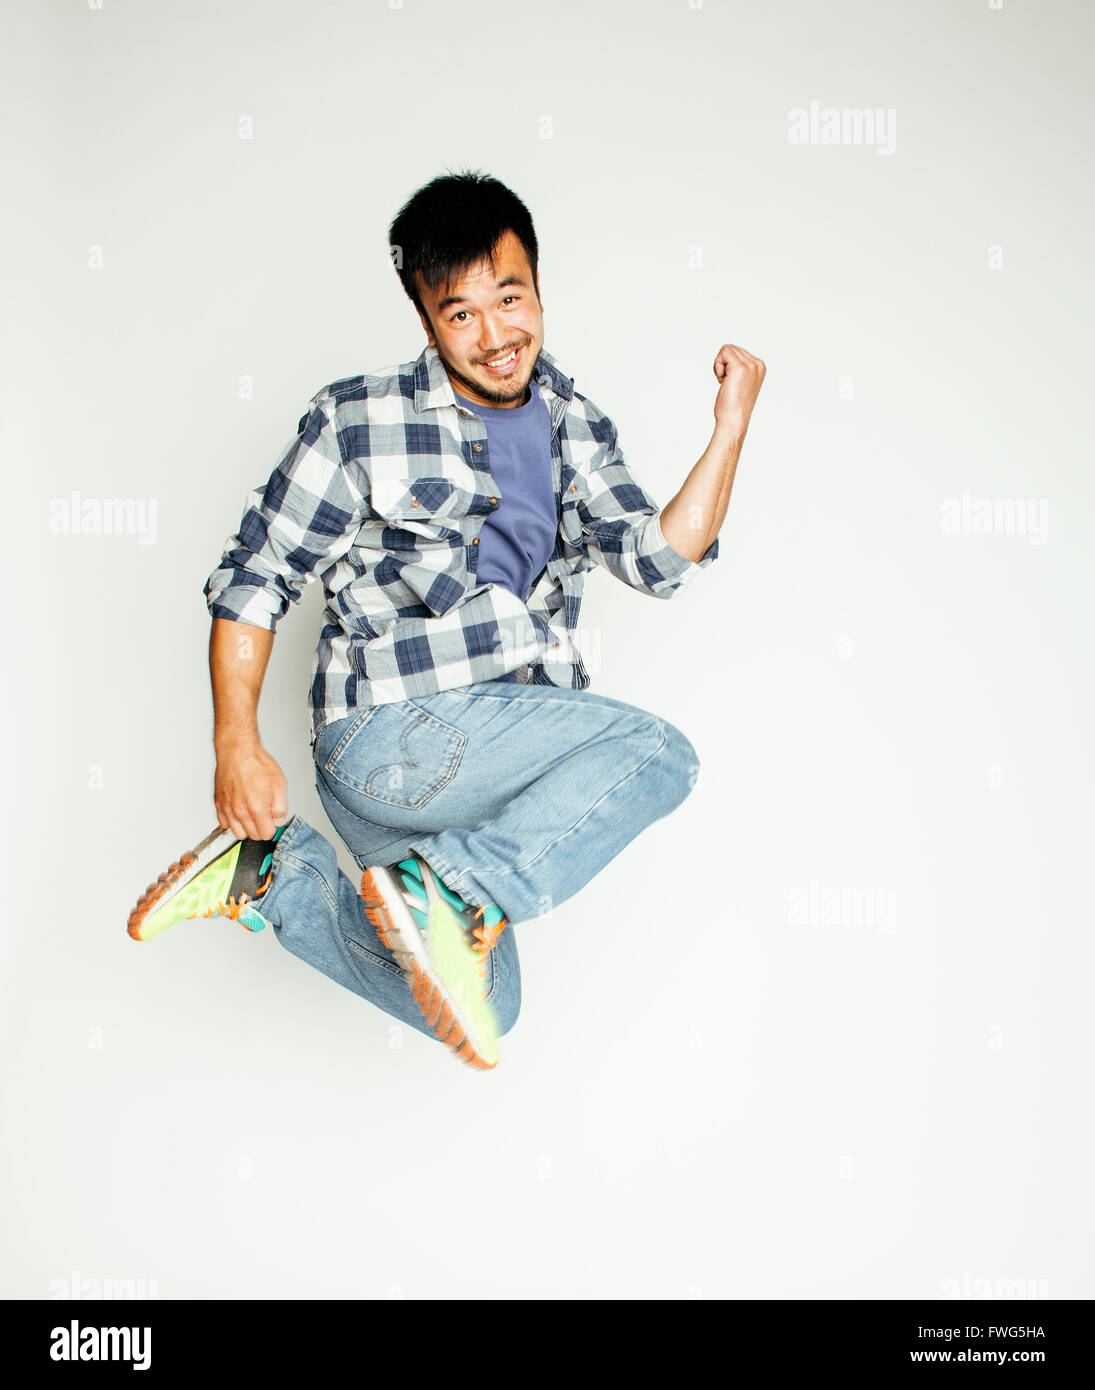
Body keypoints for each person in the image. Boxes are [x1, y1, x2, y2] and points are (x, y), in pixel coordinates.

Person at [126, 169, 766, 1071]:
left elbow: (659, 560)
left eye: (510, 299)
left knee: (485, 1010)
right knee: (657, 754)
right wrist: (236, 739)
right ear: (425, 320)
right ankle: (452, 883)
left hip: (472, 772)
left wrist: (730, 425)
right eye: (460, 313)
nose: (496, 335)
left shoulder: (574, 425)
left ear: (538, 288)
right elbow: (257, 576)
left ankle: (275, 876)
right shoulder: (359, 420)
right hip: (393, 733)